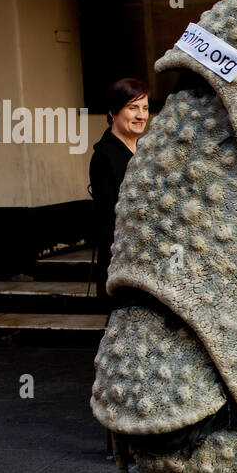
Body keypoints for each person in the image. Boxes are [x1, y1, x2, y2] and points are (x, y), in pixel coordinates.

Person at [89, 78, 149, 309]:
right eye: (132, 108)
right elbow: (111, 219)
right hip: (124, 262)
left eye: (144, 108)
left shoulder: (144, 151)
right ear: (113, 112)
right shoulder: (104, 156)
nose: (141, 115)